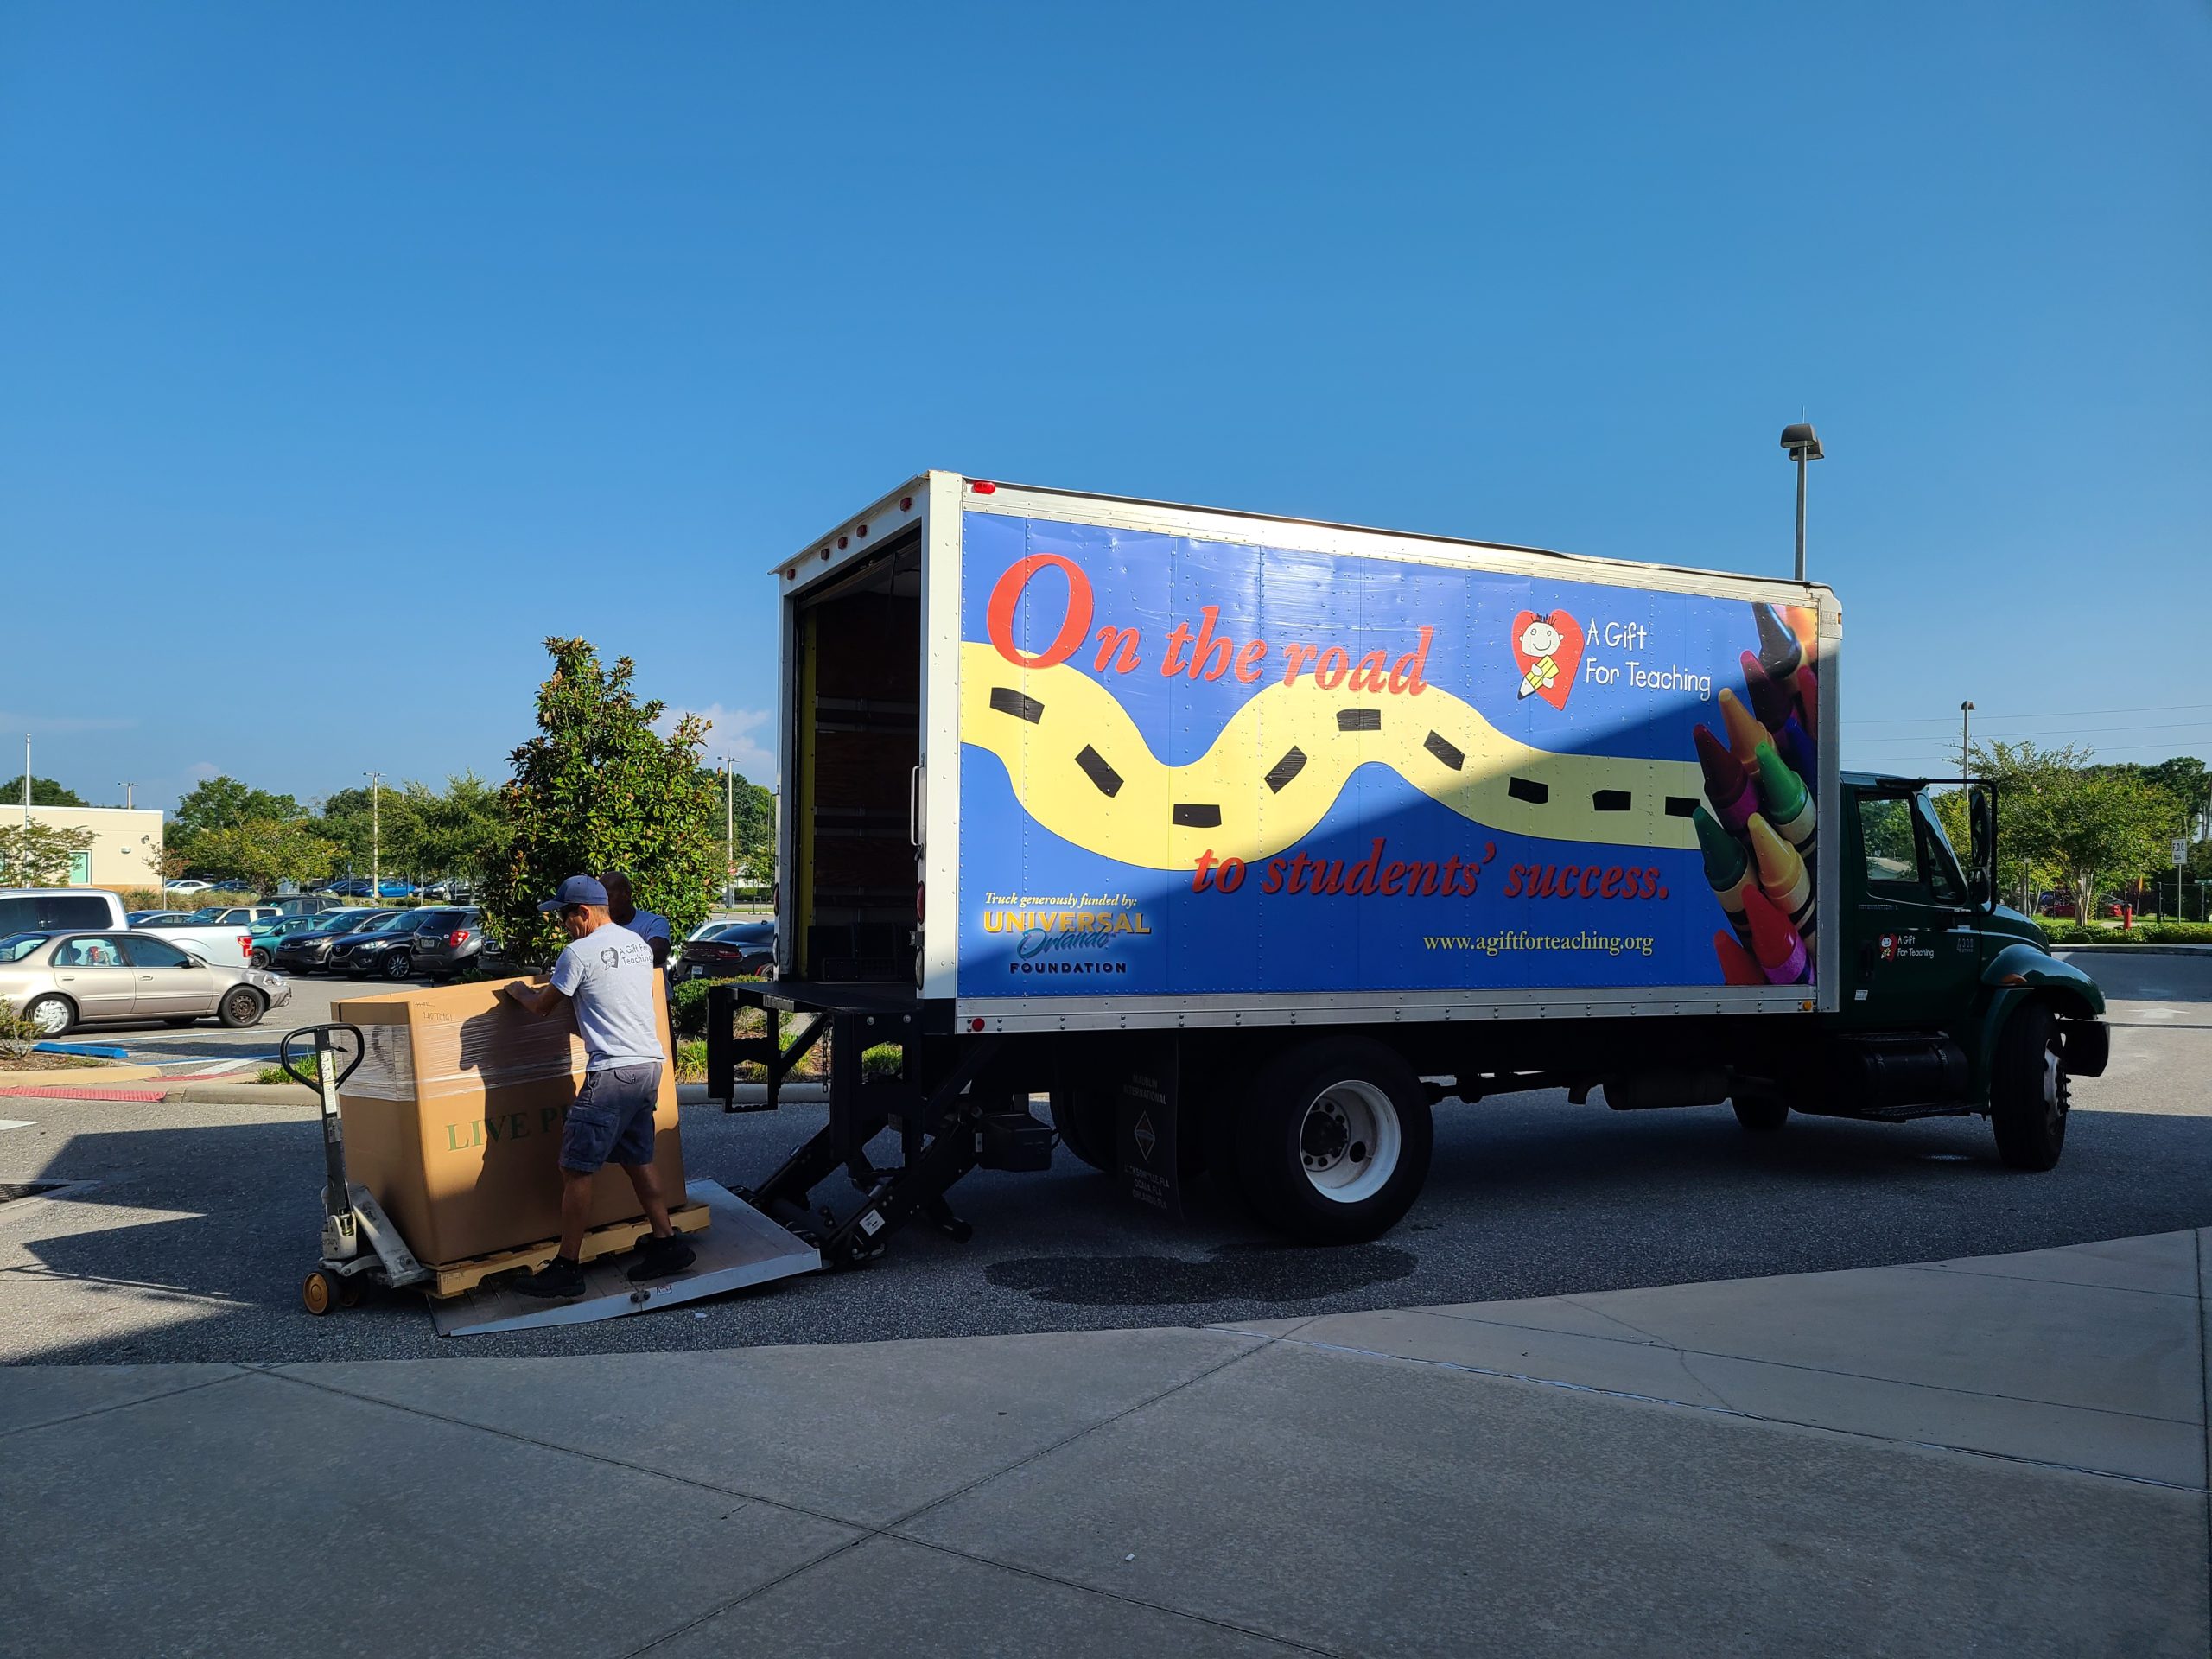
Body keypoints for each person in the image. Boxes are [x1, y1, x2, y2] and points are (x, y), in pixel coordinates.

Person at [500, 875, 694, 1298]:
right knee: (638, 1159)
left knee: (575, 1167)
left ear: (584, 913)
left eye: (565, 916)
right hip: (647, 1066)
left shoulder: (578, 952)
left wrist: (517, 990)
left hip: (611, 1073)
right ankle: (667, 1243)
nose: (563, 926)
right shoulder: (637, 945)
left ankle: (567, 1268)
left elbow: (542, 1007)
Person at [598, 871, 671, 970]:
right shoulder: (599, 929)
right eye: (602, 899)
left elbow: (659, 953)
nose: (605, 904)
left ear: (627, 894)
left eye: (609, 897)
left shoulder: (653, 923)